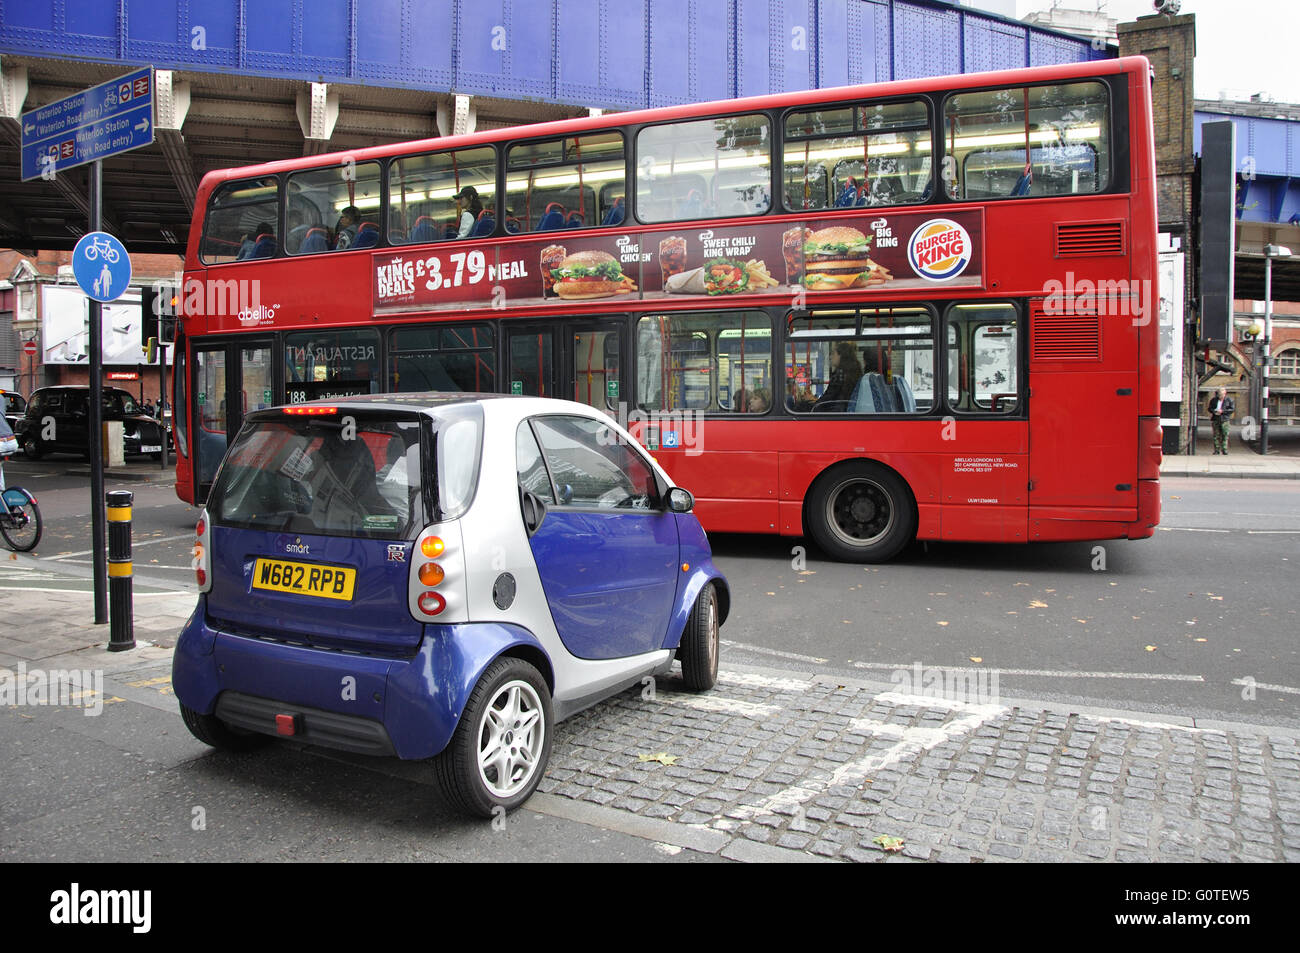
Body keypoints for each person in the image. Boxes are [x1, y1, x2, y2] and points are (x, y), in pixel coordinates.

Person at [812, 342, 863, 412]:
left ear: (841, 355)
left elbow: (828, 398)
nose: (830, 357)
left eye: (833, 354)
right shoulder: (853, 371)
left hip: (835, 410)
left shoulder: (840, 374)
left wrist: (812, 403)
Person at [1207, 386, 1235, 455]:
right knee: (1216, 435)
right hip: (1216, 419)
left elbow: (1232, 409)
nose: (1221, 396)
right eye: (1219, 395)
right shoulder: (1214, 400)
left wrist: (1223, 411)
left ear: (1225, 394)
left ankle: (1224, 449)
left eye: (1222, 394)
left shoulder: (1229, 400)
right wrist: (1214, 411)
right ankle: (1216, 450)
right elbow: (1209, 408)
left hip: (1225, 419)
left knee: (1225, 435)